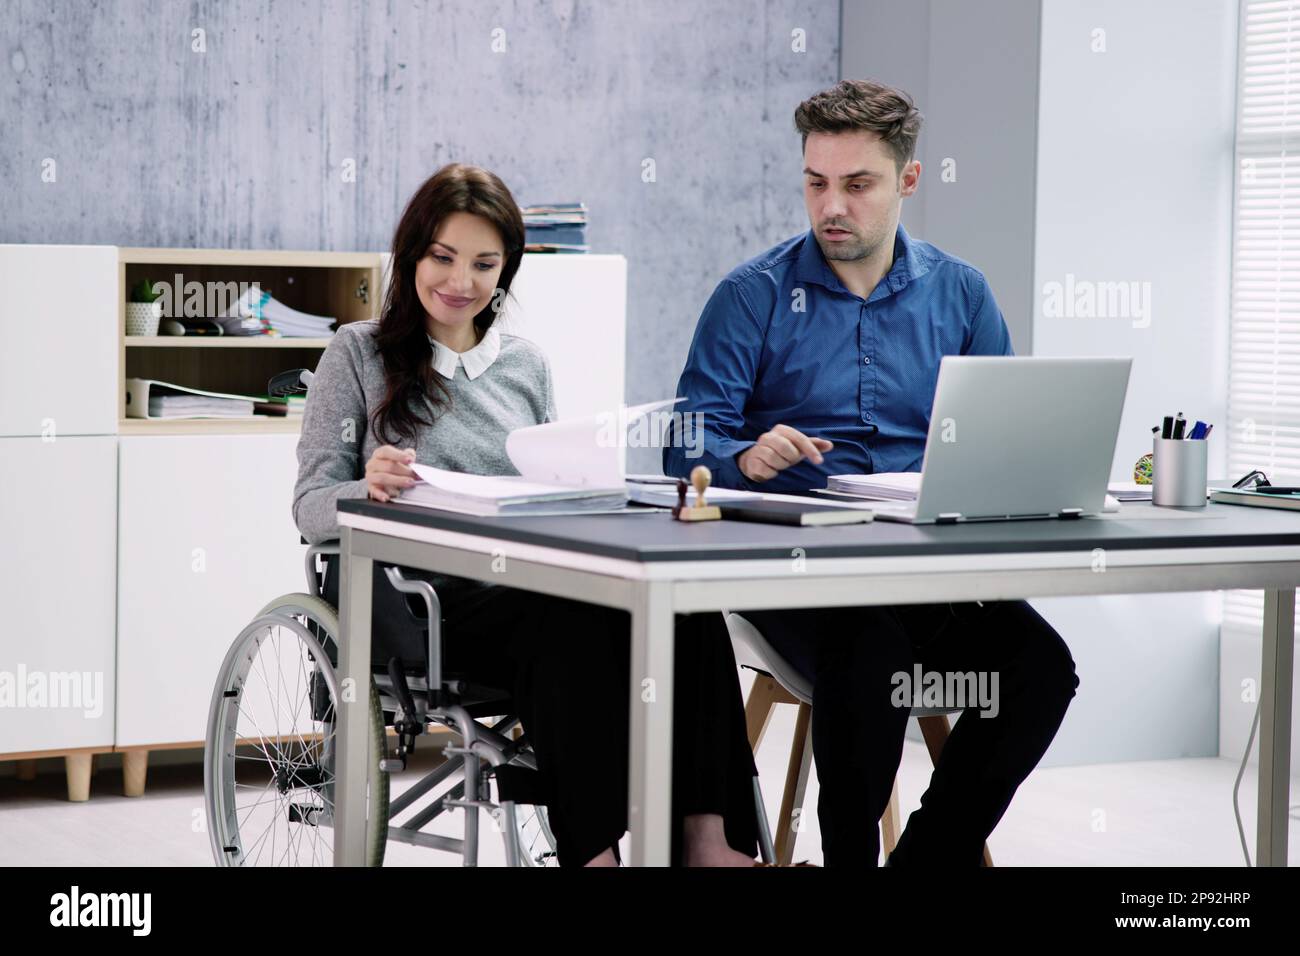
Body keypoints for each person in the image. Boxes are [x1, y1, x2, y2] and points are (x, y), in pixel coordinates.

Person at [295, 163, 758, 866]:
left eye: (485, 264)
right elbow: (308, 506)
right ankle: (592, 853)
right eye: (443, 258)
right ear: (413, 253)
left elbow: (555, 483)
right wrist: (366, 486)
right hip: (424, 611)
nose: (462, 281)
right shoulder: (356, 356)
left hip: (529, 587)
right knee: (569, 620)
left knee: (681, 609)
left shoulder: (526, 366)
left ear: (507, 268)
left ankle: (708, 843)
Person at [665, 80, 1080, 867]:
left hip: (931, 577)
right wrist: (742, 459)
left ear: (907, 182)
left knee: (1042, 669)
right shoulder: (750, 297)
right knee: (868, 644)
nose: (832, 207)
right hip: (799, 584)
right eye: (816, 183)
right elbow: (683, 440)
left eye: (857, 185)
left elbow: (1007, 439)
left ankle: (925, 858)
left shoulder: (961, 294)